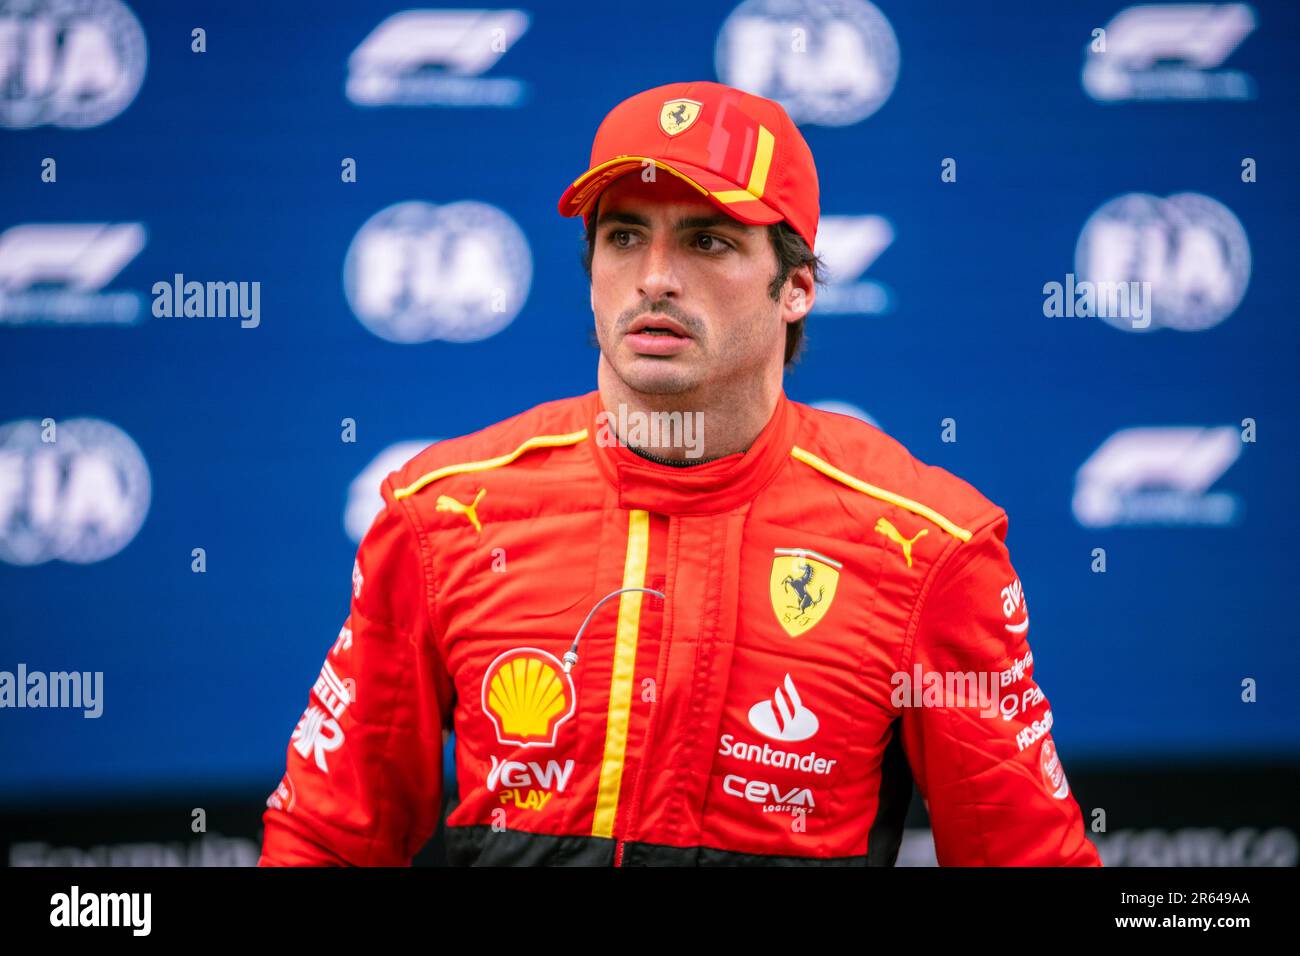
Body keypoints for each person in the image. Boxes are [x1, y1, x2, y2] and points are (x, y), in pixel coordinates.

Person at [259, 80, 1101, 867]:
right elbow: (327, 839)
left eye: (707, 240)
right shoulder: (447, 514)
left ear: (796, 287)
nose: (655, 278)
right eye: (624, 236)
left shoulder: (926, 547)